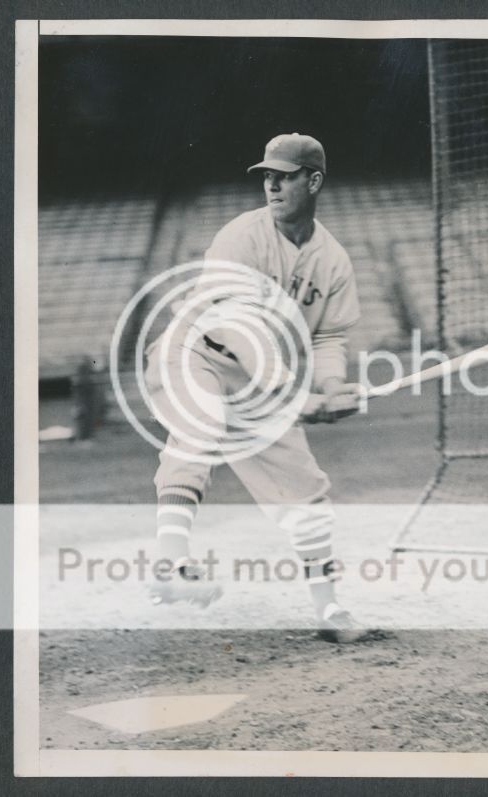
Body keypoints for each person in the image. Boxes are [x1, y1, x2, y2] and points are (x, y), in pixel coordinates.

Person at [145, 133, 369, 643]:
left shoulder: (332, 261)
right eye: (267, 175)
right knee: (198, 428)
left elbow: (330, 334)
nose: (271, 184)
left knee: (306, 488)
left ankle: (329, 610)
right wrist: (294, 393)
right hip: (195, 349)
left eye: (284, 175)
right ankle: (171, 564)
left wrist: (332, 387)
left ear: (313, 181)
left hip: (258, 380)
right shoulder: (241, 237)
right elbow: (230, 322)